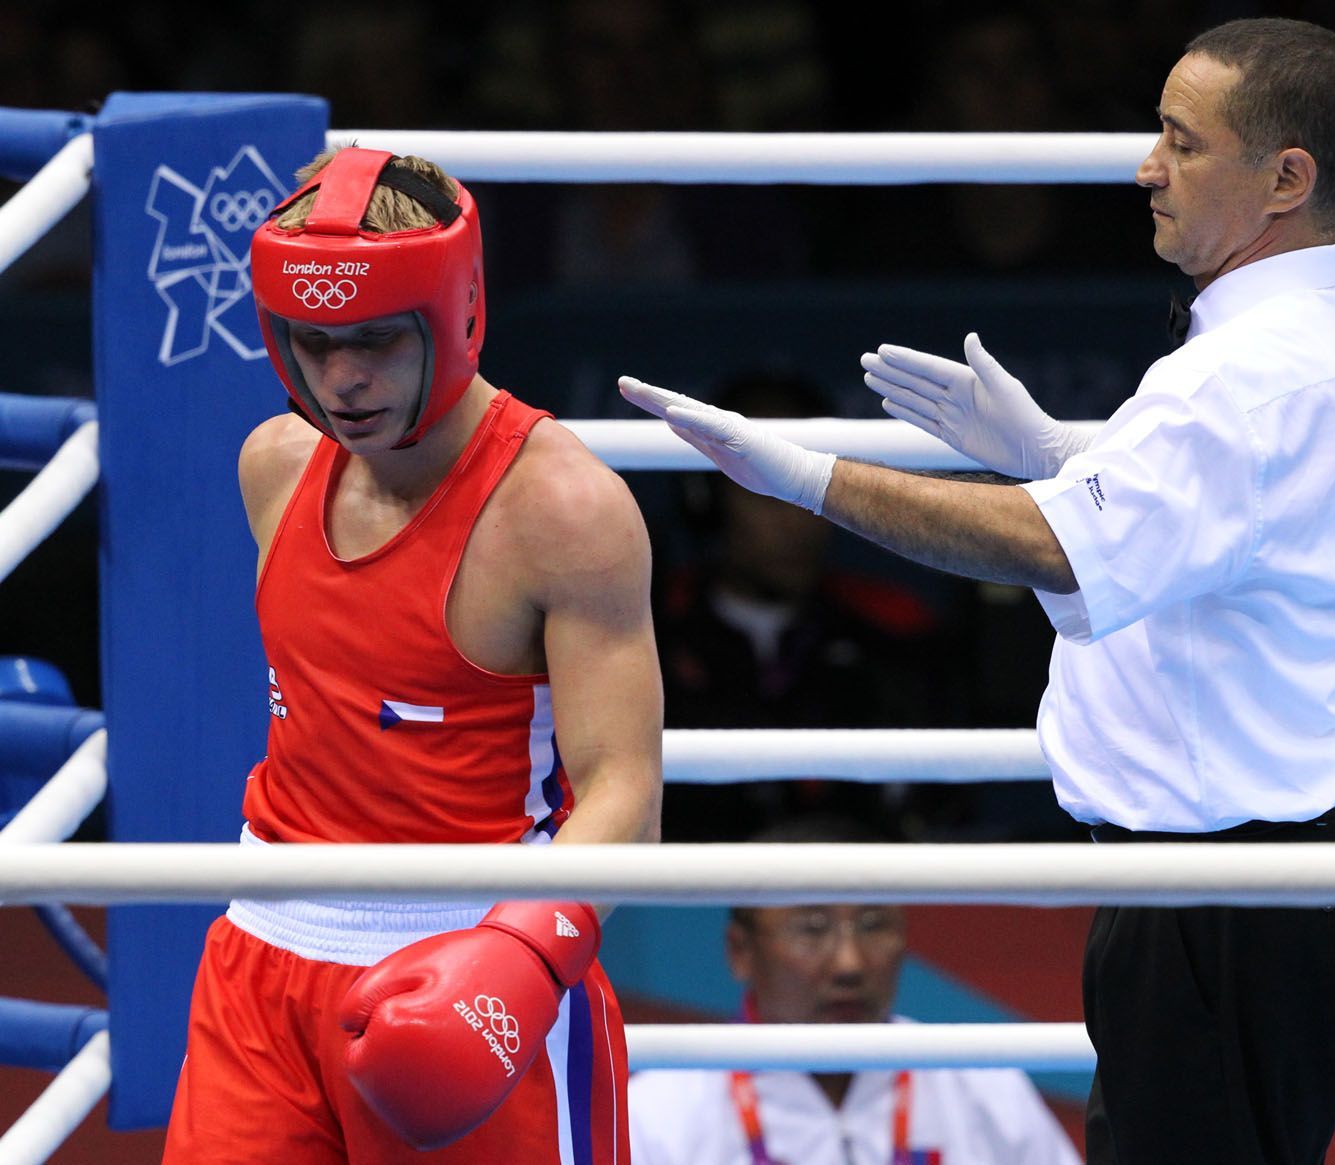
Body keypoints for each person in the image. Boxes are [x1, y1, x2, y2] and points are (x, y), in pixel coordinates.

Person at [618, 17, 1335, 1164]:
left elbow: (1050, 546)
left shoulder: (1250, 378)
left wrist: (803, 477)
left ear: (1285, 180)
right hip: (1266, 874)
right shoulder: (1332, 343)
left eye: (1183, 142)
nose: (1147, 167)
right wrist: (1059, 456)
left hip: (1233, 887)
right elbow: (1226, 528)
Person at [162, 147, 663, 1163]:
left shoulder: (560, 509)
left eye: (377, 339)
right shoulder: (274, 466)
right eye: (313, 342)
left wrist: (521, 958)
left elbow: (625, 790)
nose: (342, 378)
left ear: (456, 311)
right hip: (260, 964)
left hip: (468, 965)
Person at [628, 816, 1082, 1165]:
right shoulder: (659, 1110)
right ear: (740, 950)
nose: (849, 963)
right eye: (812, 928)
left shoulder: (981, 1085)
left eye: (873, 924)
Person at [655, 370, 968, 843]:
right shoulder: (650, 628)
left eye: (810, 491)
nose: (796, 522)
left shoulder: (894, 630)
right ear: (706, 500)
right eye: (766, 491)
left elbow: (943, 806)